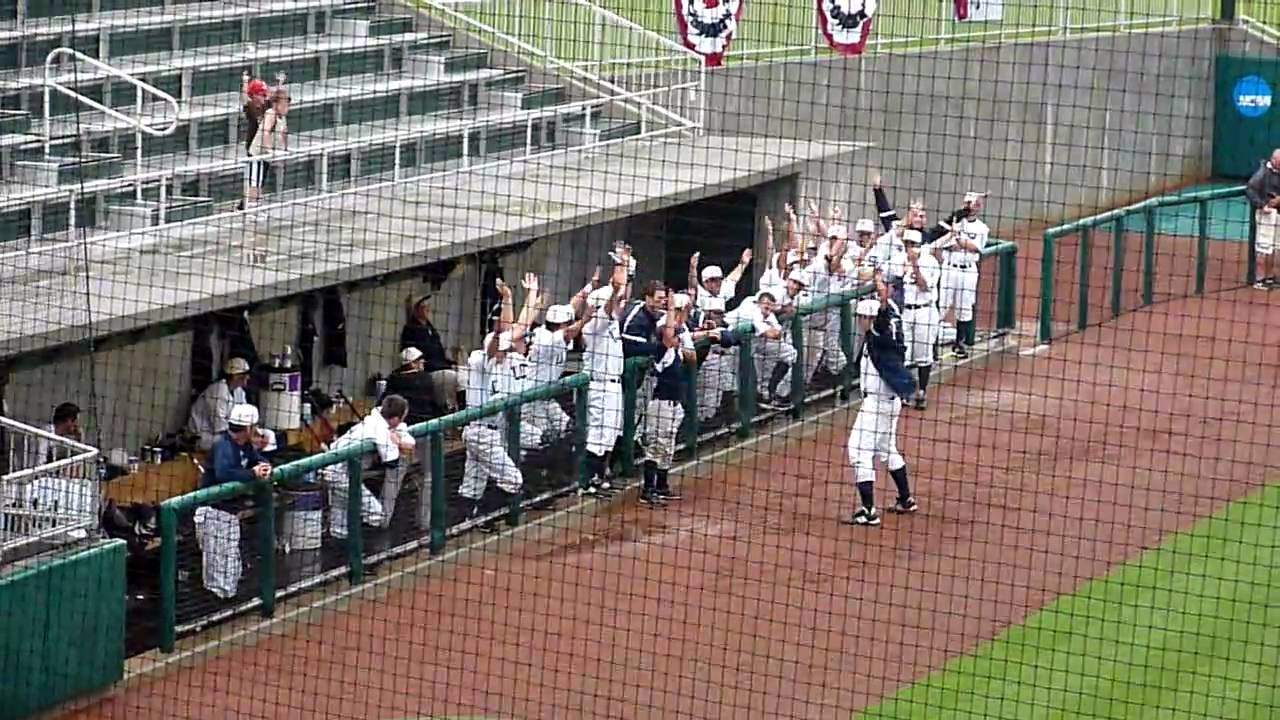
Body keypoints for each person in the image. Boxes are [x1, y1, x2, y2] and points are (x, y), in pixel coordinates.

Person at [843, 274, 919, 527]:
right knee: (887, 450)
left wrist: (882, 299)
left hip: (877, 405)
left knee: (858, 451)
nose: (859, 322)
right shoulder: (882, 336)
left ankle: (868, 511)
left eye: (861, 318)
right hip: (888, 403)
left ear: (869, 320)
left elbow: (884, 319)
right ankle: (905, 499)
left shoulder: (881, 337)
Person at [640, 293, 712, 505]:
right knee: (655, 446)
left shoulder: (678, 352)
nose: (676, 335)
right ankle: (648, 489)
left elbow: (691, 354)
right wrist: (672, 310)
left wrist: (682, 320)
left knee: (668, 446)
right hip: (660, 405)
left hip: (674, 404)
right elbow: (669, 332)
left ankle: (661, 486)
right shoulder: (662, 352)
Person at [195, 404, 272, 599]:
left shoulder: (244, 445)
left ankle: (226, 603)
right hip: (213, 513)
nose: (255, 430)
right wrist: (251, 474)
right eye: (253, 426)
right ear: (247, 428)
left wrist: (264, 465)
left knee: (230, 565)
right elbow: (223, 473)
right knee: (218, 567)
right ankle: (214, 610)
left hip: (228, 513)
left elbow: (257, 459)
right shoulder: (223, 445)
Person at [321, 394, 415, 539]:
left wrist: (399, 440)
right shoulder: (379, 430)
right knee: (376, 515)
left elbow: (405, 436)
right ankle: (363, 550)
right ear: (396, 418)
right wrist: (399, 443)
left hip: (335, 469)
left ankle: (343, 553)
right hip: (340, 474)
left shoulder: (376, 417)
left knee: (339, 524)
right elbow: (392, 462)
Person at [461, 328, 526, 533]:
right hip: (481, 432)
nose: (504, 355)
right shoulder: (480, 362)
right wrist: (497, 335)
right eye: (502, 351)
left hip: (485, 432)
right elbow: (489, 352)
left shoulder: (500, 371)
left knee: (473, 481)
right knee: (513, 479)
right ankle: (484, 515)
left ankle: (467, 521)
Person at [580, 249, 631, 496]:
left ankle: (601, 477)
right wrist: (617, 276)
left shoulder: (610, 321)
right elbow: (614, 299)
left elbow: (621, 296)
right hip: (599, 386)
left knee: (610, 433)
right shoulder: (593, 326)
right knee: (598, 435)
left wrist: (626, 268)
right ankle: (589, 482)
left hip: (613, 385)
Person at [523, 275, 593, 444]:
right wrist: (585, 319)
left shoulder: (552, 330)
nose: (571, 324)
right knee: (546, 440)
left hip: (546, 397)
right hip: (531, 400)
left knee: (570, 429)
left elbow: (572, 305)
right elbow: (570, 332)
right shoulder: (547, 339)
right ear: (561, 325)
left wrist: (589, 287)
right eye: (568, 322)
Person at [888, 229, 942, 409]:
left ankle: (922, 392)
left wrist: (914, 265)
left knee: (924, 354)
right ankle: (904, 392)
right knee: (903, 351)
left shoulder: (930, 262)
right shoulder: (898, 259)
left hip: (925, 311)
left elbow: (925, 285)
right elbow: (884, 272)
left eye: (912, 244)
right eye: (907, 244)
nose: (909, 248)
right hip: (906, 312)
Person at [936, 192, 991, 357]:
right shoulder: (953, 222)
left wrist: (958, 239)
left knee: (964, 307)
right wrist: (955, 238)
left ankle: (959, 344)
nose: (969, 206)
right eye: (966, 203)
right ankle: (931, 345)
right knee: (941, 305)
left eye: (972, 203)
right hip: (950, 268)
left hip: (968, 270)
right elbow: (946, 243)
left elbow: (974, 247)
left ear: (978, 206)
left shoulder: (982, 228)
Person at [726, 289, 794, 408]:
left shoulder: (768, 314)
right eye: (765, 304)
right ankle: (735, 415)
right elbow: (770, 334)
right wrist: (771, 331)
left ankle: (774, 395)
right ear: (758, 303)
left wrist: (772, 331)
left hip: (749, 343)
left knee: (791, 354)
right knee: (730, 382)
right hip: (727, 344)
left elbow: (778, 334)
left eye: (770, 305)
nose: (767, 307)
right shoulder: (754, 310)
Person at [401, 293, 460, 413]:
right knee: (451, 377)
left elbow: (439, 354)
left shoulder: (430, 329)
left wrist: (452, 363)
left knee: (463, 375)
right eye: (423, 306)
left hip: (440, 367)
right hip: (427, 371)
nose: (428, 309)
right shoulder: (411, 330)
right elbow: (419, 359)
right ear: (416, 310)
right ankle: (446, 409)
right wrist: (446, 366)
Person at [188, 357, 252, 451]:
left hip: (223, 434)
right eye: (245, 374)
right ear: (236, 376)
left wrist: (249, 434)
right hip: (203, 436)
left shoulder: (239, 392)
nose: (248, 377)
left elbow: (246, 417)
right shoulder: (218, 390)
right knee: (233, 444)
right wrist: (239, 437)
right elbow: (219, 426)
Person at [1245, 148, 1280, 289]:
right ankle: (1259, 280)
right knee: (1263, 247)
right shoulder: (1263, 173)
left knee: (1276, 247)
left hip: (1278, 214)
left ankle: (1270, 277)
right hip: (1266, 214)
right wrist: (1261, 205)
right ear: (1273, 160)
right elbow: (1250, 190)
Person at [29, 401, 82, 467]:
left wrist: (79, 440)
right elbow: (39, 461)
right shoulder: (45, 433)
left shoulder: (58, 438)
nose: (77, 425)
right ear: (69, 420)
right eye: (76, 421)